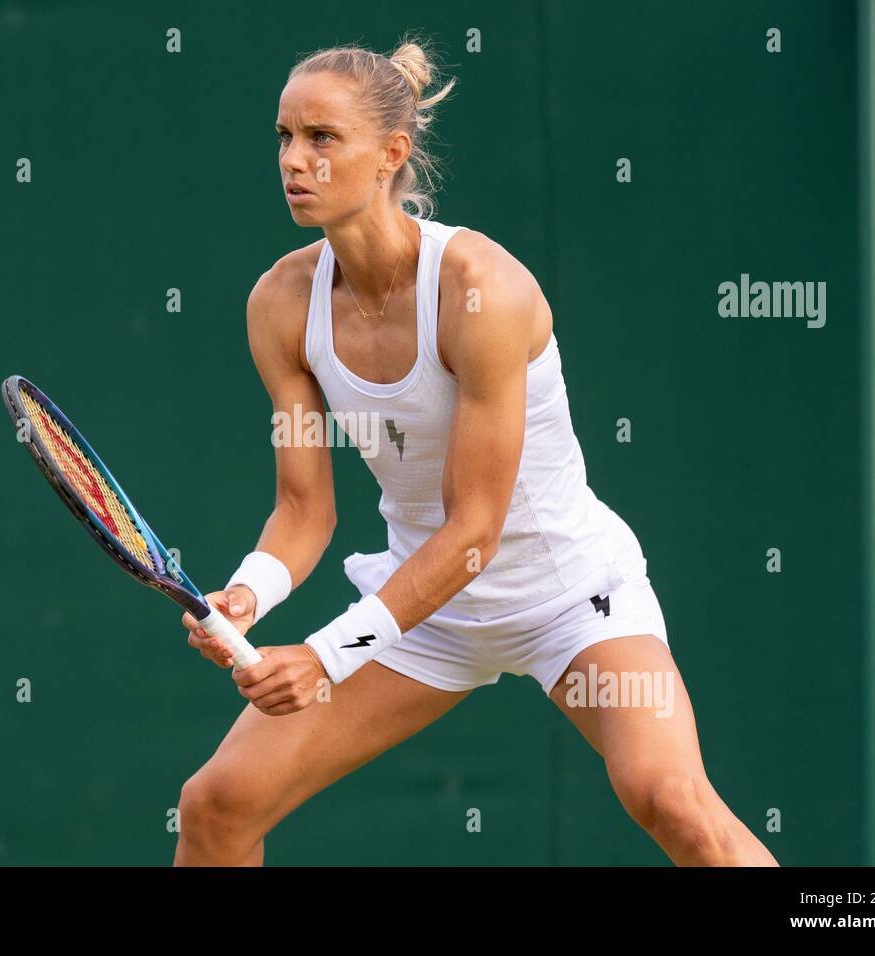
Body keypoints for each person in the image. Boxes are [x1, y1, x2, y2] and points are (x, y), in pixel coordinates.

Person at [176, 36, 778, 867]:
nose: (295, 160)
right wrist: (247, 594)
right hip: (425, 614)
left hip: (569, 598)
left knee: (670, 799)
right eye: (284, 137)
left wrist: (324, 655)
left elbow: (474, 535)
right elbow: (304, 511)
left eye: (322, 139)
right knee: (216, 806)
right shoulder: (280, 305)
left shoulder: (481, 290)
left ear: (392, 154)